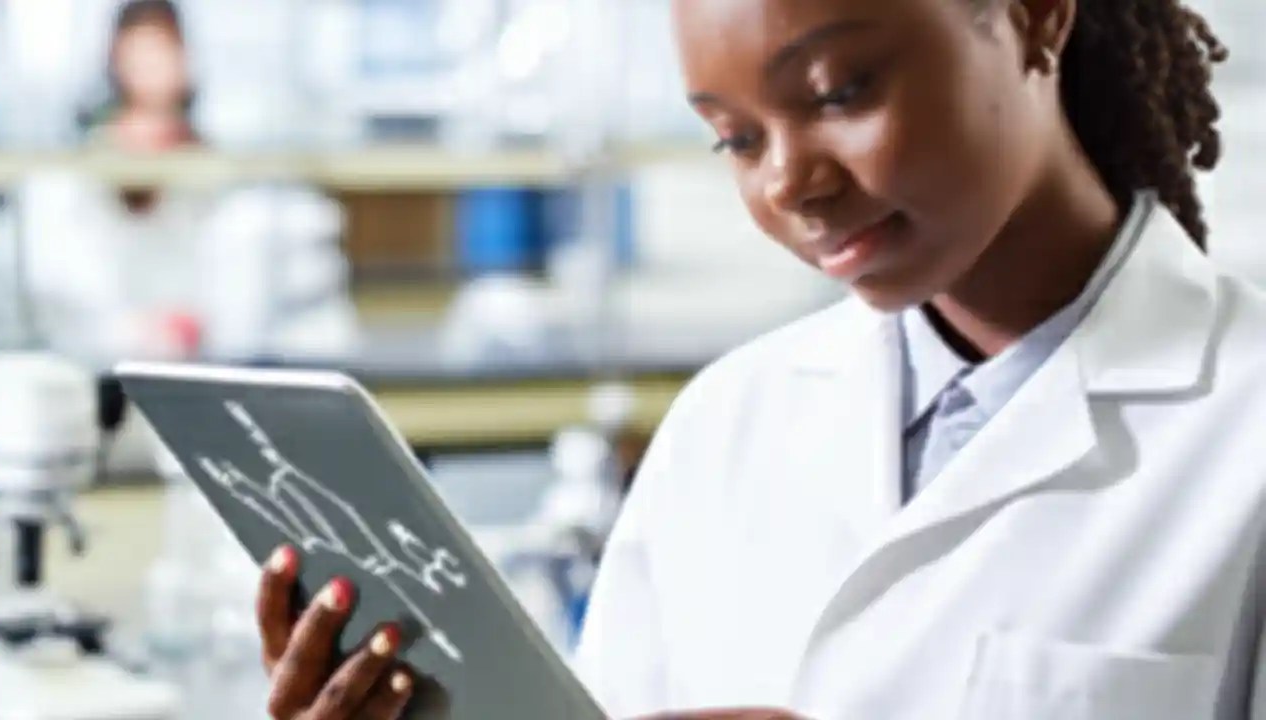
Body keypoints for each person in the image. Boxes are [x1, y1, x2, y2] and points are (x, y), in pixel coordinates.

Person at [254, 0, 1265, 718]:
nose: (790, 184)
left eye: (839, 92)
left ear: (1038, 14)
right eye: (733, 139)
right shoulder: (726, 422)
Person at [13, 0, 358, 366]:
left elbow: (232, 284)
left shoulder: (211, 170)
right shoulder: (79, 172)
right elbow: (67, 290)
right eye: (139, 55)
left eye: (161, 53)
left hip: (200, 343)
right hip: (115, 347)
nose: (151, 70)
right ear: (115, 60)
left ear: (184, 60)